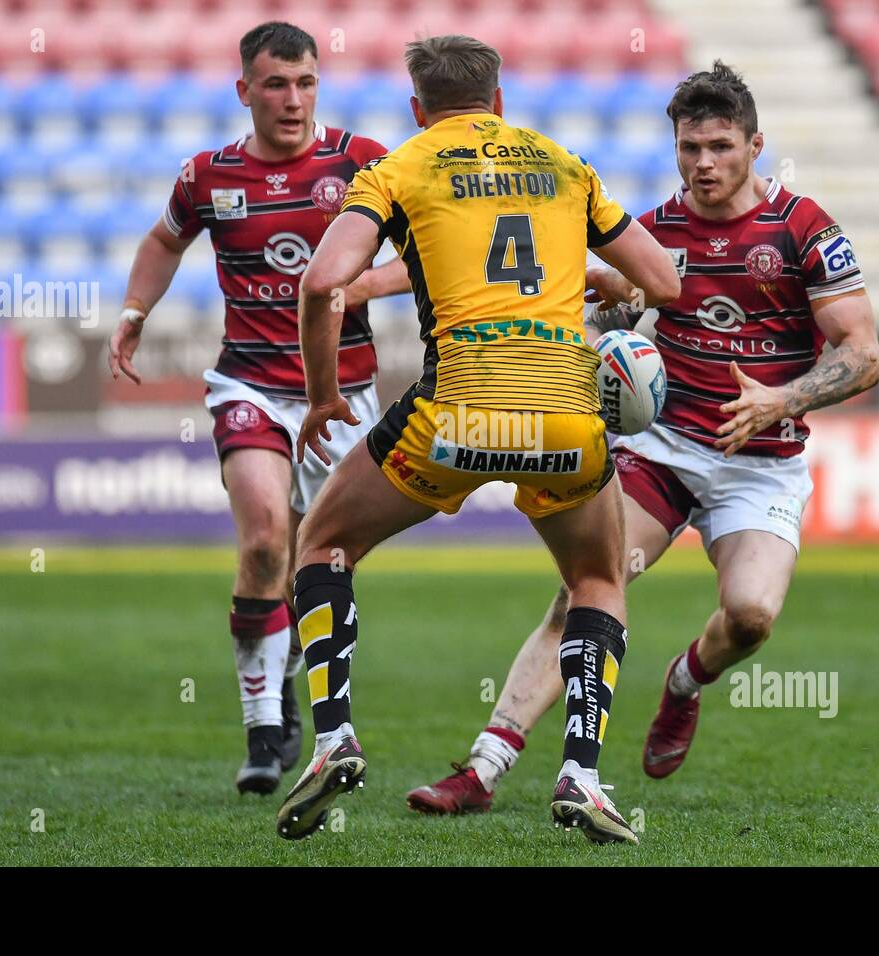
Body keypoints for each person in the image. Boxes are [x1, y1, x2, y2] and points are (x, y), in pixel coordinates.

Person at [406, 61, 879, 813]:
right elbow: (605, 317)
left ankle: (684, 681)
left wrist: (779, 400)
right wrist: (599, 344)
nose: (704, 163)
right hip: (662, 453)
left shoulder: (802, 231)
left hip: (763, 465)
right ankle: (484, 768)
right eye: (690, 147)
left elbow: (862, 354)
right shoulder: (654, 233)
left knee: (752, 617)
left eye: (721, 146)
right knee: (586, 590)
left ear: (756, 146)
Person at [273, 34, 680, 844]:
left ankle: (332, 738)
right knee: (599, 580)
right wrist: (602, 281)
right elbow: (664, 280)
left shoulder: (400, 166)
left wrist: (322, 397)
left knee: (320, 545)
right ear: (499, 101)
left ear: (417, 109)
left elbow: (322, 282)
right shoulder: (566, 167)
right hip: (566, 410)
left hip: (456, 410)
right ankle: (583, 777)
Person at [107, 22, 409, 795]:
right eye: (276, 84)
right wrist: (136, 310)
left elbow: (423, 251)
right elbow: (162, 240)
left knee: (319, 562)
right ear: (245, 90)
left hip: (343, 396)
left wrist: (364, 285)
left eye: (306, 83)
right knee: (267, 540)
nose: (293, 100)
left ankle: (284, 668)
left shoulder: (364, 162)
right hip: (250, 386)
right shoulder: (208, 176)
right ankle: (264, 729)